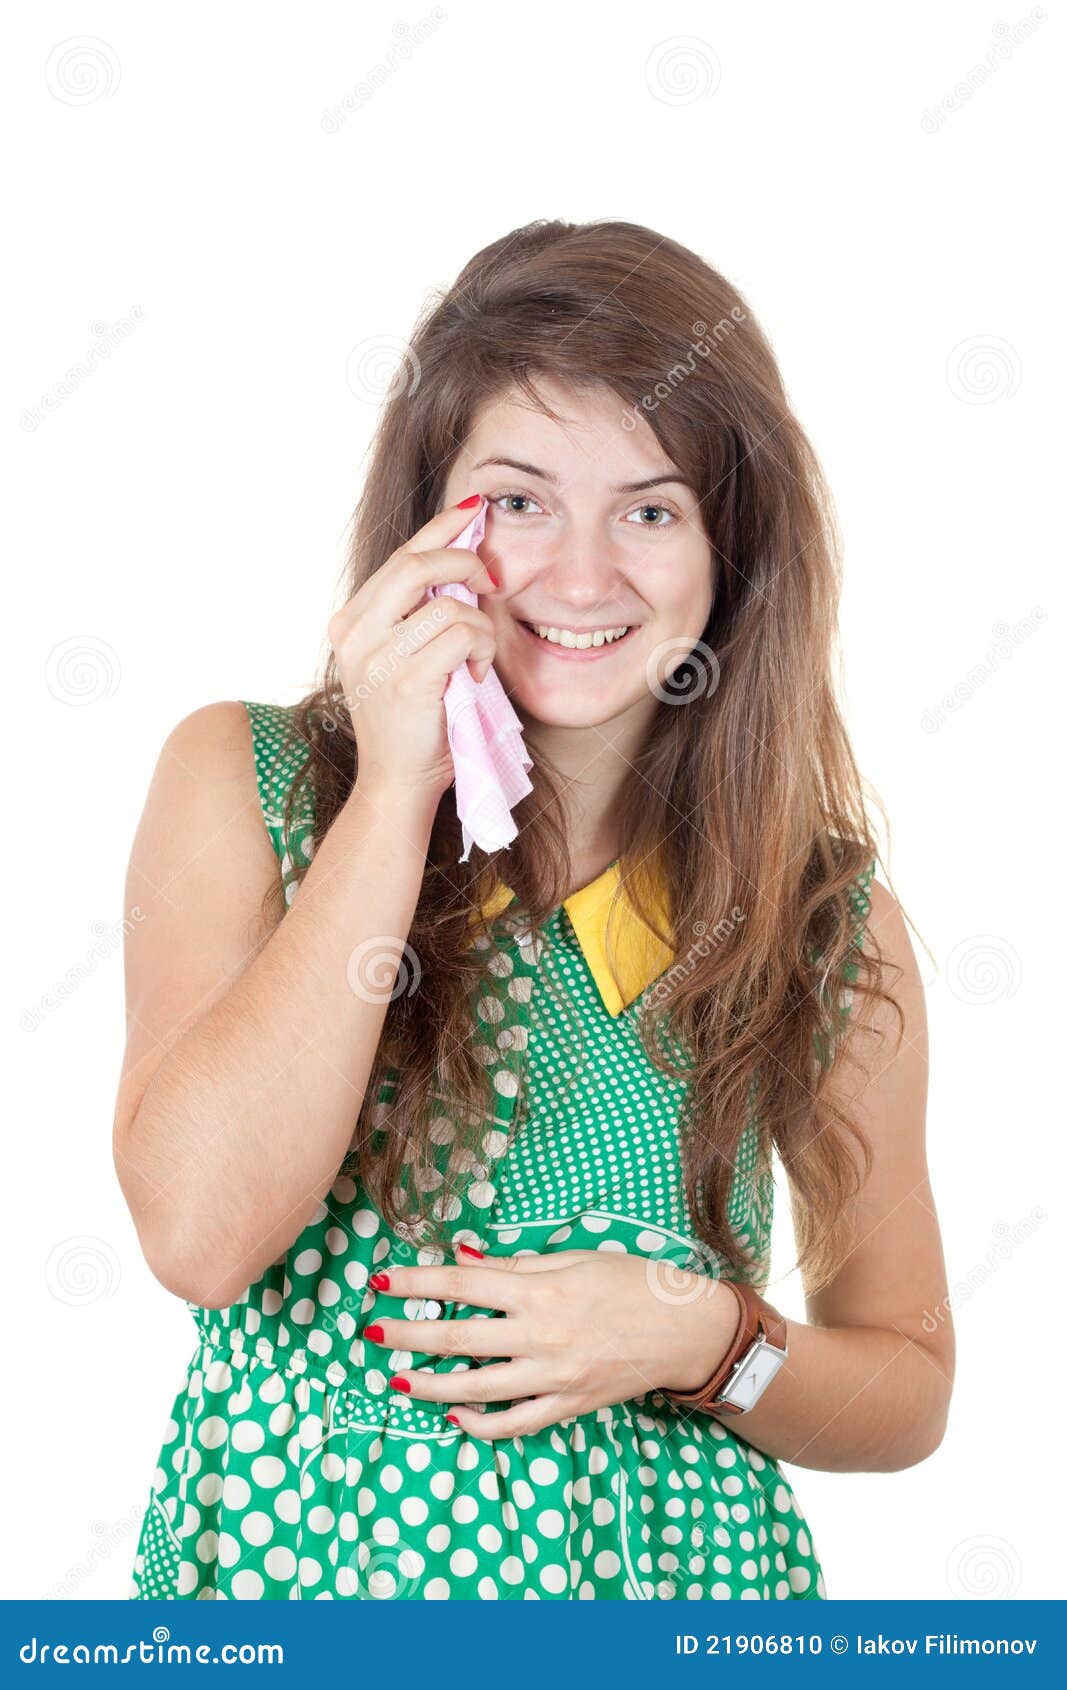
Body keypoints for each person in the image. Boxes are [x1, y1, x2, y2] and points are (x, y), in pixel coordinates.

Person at [114, 218, 952, 1601]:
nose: (578, 574)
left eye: (651, 507)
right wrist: (396, 786)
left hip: (683, 1602)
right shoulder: (251, 784)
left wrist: (702, 1335)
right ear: (428, 523)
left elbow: (907, 1381)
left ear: (728, 553)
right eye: (516, 499)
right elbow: (201, 1237)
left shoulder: (819, 922)